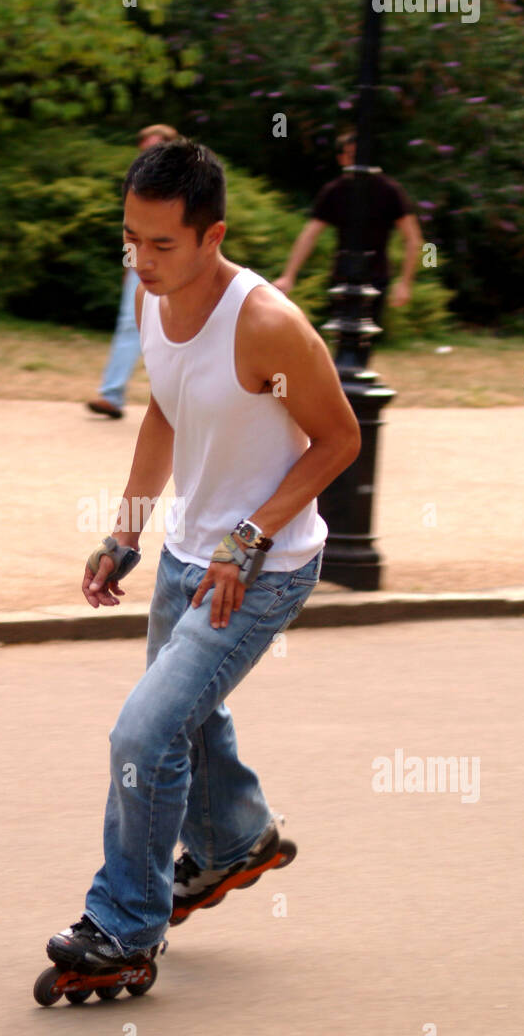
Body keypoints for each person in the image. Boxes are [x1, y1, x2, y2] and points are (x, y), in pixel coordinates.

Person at [43, 138, 361, 992]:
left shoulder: (266, 326)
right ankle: (235, 842)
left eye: (161, 244)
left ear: (212, 235)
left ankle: (124, 926)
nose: (140, 262)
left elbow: (338, 440)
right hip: (187, 556)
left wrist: (250, 537)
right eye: (130, 240)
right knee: (182, 717)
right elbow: (166, 413)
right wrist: (128, 532)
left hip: (260, 568)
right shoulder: (154, 303)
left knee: (144, 733)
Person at [273, 130, 422, 330]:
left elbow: (413, 238)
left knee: (363, 338)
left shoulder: (389, 190)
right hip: (342, 274)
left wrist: (405, 282)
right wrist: (289, 275)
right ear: (341, 159)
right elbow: (310, 234)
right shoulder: (334, 191)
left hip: (377, 275)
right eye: (352, 155)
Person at [86, 123, 180, 420]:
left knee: (182, 329)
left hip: (178, 263)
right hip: (142, 263)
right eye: (144, 151)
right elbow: (130, 231)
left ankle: (184, 403)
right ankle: (112, 395)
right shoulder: (136, 187)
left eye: (153, 149)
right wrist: (130, 266)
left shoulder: (185, 185)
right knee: (130, 323)